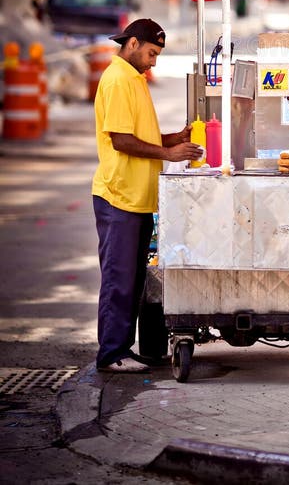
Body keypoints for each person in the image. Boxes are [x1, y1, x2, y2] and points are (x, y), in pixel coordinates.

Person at [92, 18, 205, 373]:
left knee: (134, 281)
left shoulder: (135, 79)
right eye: (152, 53)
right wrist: (169, 155)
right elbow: (121, 140)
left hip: (138, 197)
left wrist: (176, 138)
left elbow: (143, 135)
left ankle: (122, 347)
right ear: (133, 44)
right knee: (119, 280)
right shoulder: (117, 80)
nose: (154, 61)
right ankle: (111, 354)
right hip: (118, 195)